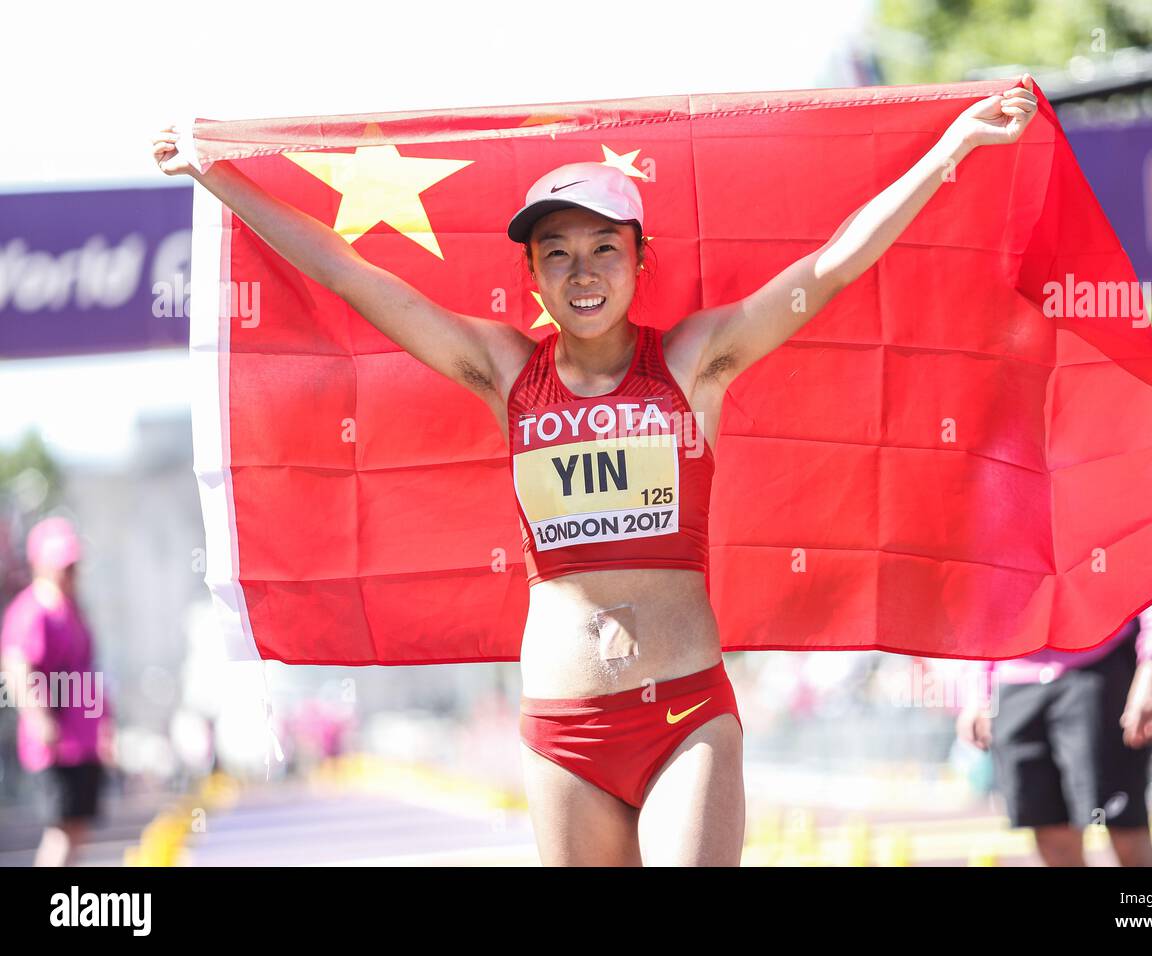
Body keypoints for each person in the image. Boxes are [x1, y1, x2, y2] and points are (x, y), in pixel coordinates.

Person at [154, 76, 1039, 865]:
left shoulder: (696, 360)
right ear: (531, 275)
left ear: (640, 260)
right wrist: (215, 176)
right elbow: (351, 275)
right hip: (562, 734)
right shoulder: (504, 369)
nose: (582, 272)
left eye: (603, 248)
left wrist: (953, 145)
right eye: (557, 254)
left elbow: (833, 267)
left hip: (685, 718)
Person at [957, 600, 1152, 866]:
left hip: (1098, 670)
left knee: (1125, 831)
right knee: (1051, 837)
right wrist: (977, 690)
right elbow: (983, 599)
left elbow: (1150, 581)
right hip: (1014, 681)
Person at [0, 517, 114, 867]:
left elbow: (89, 674)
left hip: (83, 744)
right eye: (63, 566)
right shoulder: (31, 610)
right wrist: (39, 718)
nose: (70, 573)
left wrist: (105, 727)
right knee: (60, 832)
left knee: (77, 828)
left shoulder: (72, 611)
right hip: (56, 746)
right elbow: (17, 667)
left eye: (73, 566)